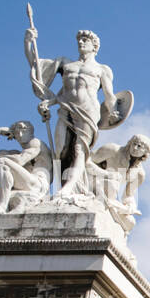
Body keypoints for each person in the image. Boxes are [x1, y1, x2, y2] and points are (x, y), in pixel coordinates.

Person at [26, 28, 118, 195]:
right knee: (60, 149)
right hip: (66, 108)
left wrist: (112, 111)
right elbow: (37, 67)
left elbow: (109, 96)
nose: (81, 43)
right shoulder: (66, 64)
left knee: (79, 150)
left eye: (85, 40)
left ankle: (69, 186)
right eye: (79, 41)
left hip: (88, 111)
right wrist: (28, 42)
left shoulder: (102, 69)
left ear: (94, 46)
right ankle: (63, 185)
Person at [0, 121, 51, 212]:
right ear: (13, 134)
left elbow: (20, 160)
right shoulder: (17, 153)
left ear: (31, 132)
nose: (20, 133)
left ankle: (2, 206)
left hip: (39, 185)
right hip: (28, 183)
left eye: (24, 129)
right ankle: (2, 204)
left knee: (3, 161)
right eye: (17, 130)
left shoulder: (36, 143)